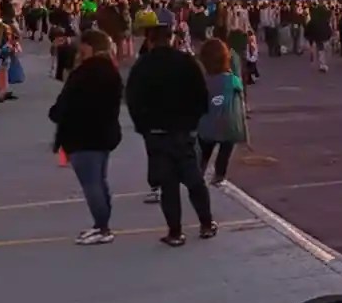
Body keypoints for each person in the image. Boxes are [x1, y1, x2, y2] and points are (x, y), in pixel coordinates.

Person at [126, 19, 217, 247]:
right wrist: (194, 120)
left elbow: (132, 98)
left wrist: (143, 126)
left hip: (156, 132)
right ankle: (206, 224)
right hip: (183, 130)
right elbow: (201, 93)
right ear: (172, 39)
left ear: (150, 40)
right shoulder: (186, 62)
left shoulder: (143, 66)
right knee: (194, 179)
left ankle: (175, 233)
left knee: (168, 184)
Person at [49, 30, 123, 245]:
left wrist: (55, 114)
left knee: (91, 184)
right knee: (100, 181)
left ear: (89, 47)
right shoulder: (112, 71)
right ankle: (102, 224)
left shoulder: (82, 73)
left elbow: (65, 102)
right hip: (105, 133)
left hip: (81, 135)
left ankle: (102, 227)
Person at [197, 38, 249, 186]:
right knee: (226, 148)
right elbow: (240, 89)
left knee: (204, 149)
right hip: (228, 125)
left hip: (208, 124)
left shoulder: (203, 81)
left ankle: (199, 171)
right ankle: (219, 175)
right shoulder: (231, 80)